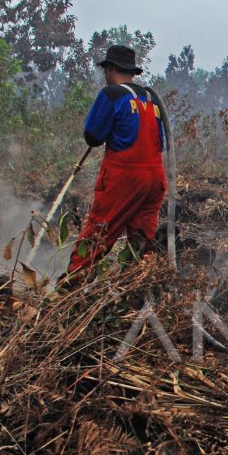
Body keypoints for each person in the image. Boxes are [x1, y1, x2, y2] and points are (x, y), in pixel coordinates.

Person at [64, 44, 167, 281]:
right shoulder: (151, 99)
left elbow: (93, 136)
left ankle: (70, 290)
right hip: (155, 180)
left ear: (110, 70)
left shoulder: (111, 95)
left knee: (97, 235)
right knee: (141, 241)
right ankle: (137, 287)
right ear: (132, 72)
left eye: (106, 71)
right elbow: (161, 143)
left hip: (124, 178)